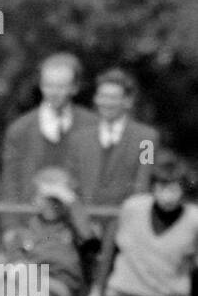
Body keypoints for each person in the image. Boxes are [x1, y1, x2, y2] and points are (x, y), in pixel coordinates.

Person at [94, 153, 198, 296]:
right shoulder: (132, 209)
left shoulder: (193, 221)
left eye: (173, 189)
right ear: (153, 188)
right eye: (162, 188)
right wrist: (98, 292)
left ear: (183, 191)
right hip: (126, 292)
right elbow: (110, 250)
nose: (166, 195)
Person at [0, 166, 99, 296]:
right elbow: (13, 261)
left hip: (60, 289)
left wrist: (70, 200)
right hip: (32, 290)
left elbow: (89, 239)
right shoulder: (25, 229)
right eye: (46, 198)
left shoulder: (74, 228)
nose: (50, 205)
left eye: (56, 200)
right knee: (24, 288)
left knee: (22, 294)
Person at [0, 52, 96, 221]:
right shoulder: (20, 129)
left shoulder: (92, 126)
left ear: (75, 87)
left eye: (61, 86)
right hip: (31, 221)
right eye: (48, 85)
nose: (54, 93)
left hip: (79, 222)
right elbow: (11, 184)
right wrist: (11, 227)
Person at [64, 68, 158, 211]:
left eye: (113, 98)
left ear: (128, 101)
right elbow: (71, 183)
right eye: (102, 96)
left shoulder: (147, 139)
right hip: (85, 221)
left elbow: (142, 185)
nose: (106, 103)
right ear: (95, 99)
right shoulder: (78, 139)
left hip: (126, 220)